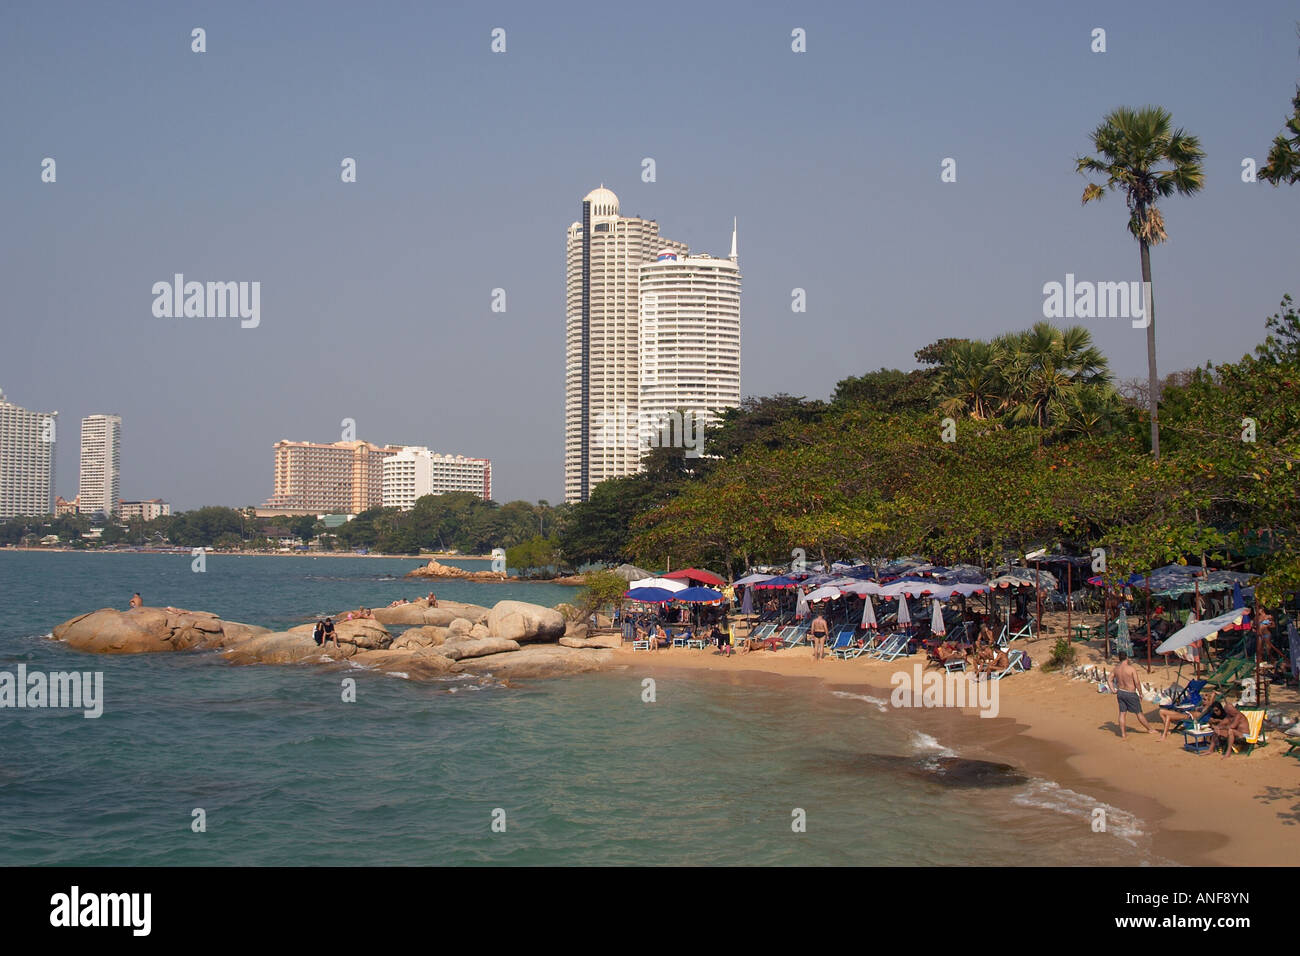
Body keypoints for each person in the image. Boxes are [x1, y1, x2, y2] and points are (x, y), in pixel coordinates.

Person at [1112, 652, 1153, 738]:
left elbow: (1109, 679)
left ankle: (1123, 734)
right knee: (1139, 713)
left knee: (1122, 713)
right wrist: (1140, 693)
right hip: (1130, 693)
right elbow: (1137, 682)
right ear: (1126, 658)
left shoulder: (1116, 669)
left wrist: (1113, 689)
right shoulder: (1131, 669)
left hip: (1120, 692)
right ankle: (1150, 729)